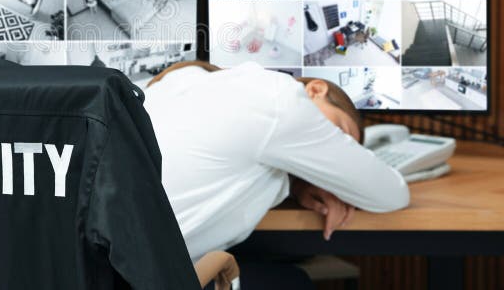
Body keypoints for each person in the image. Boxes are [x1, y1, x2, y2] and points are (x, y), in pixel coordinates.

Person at [143, 61, 410, 286]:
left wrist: (297, 185)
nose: (335, 148)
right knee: (292, 283)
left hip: (116, 265)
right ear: (316, 89)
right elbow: (393, 194)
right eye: (340, 133)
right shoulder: (286, 104)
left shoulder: (191, 79)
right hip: (148, 278)